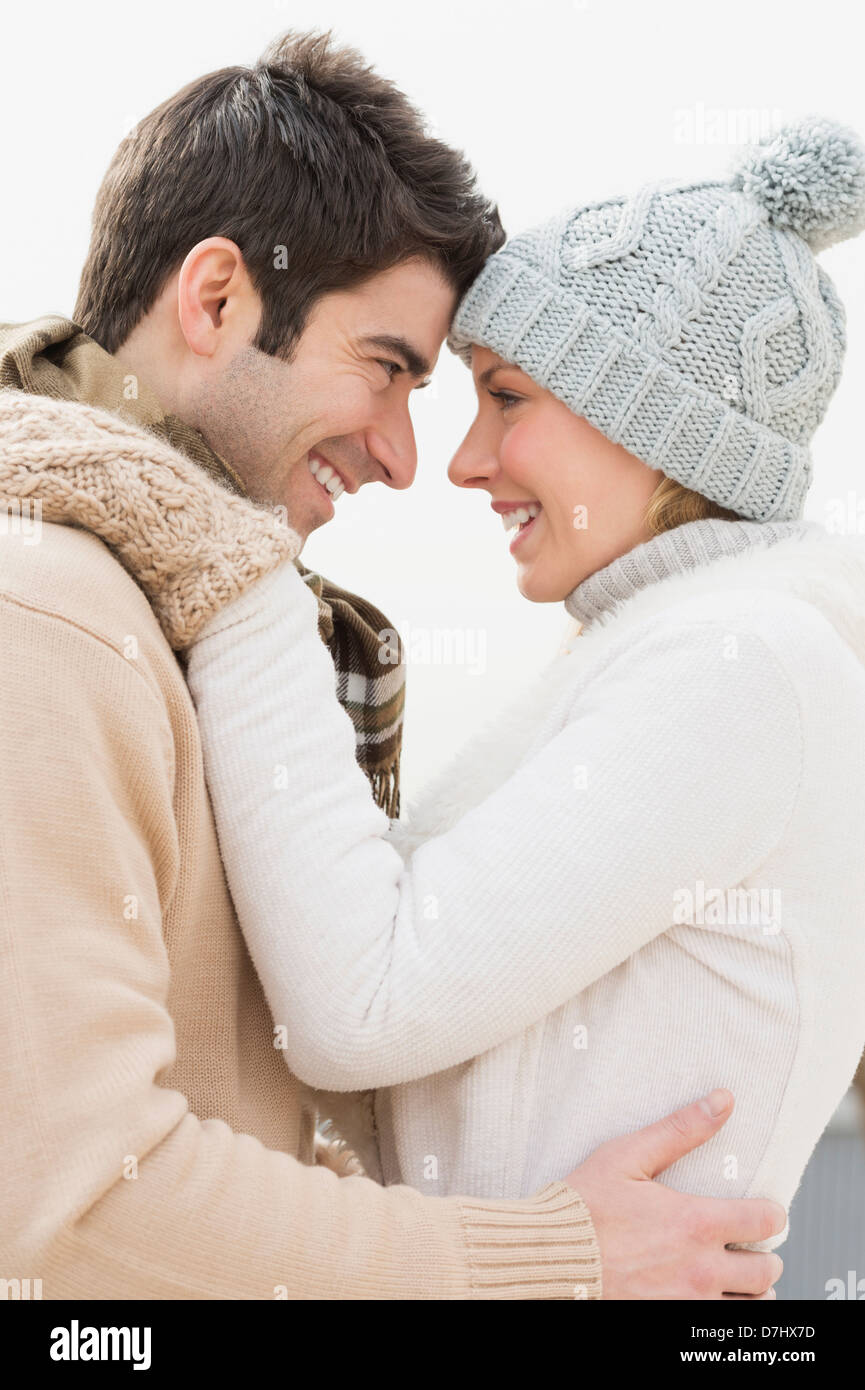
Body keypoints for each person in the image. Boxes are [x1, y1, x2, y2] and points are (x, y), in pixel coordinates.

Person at [0, 30, 785, 1301]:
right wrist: (548, 1259)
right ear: (215, 300)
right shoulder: (45, 621)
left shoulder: (193, 630)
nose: (407, 458)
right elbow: (73, 1210)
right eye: (388, 371)